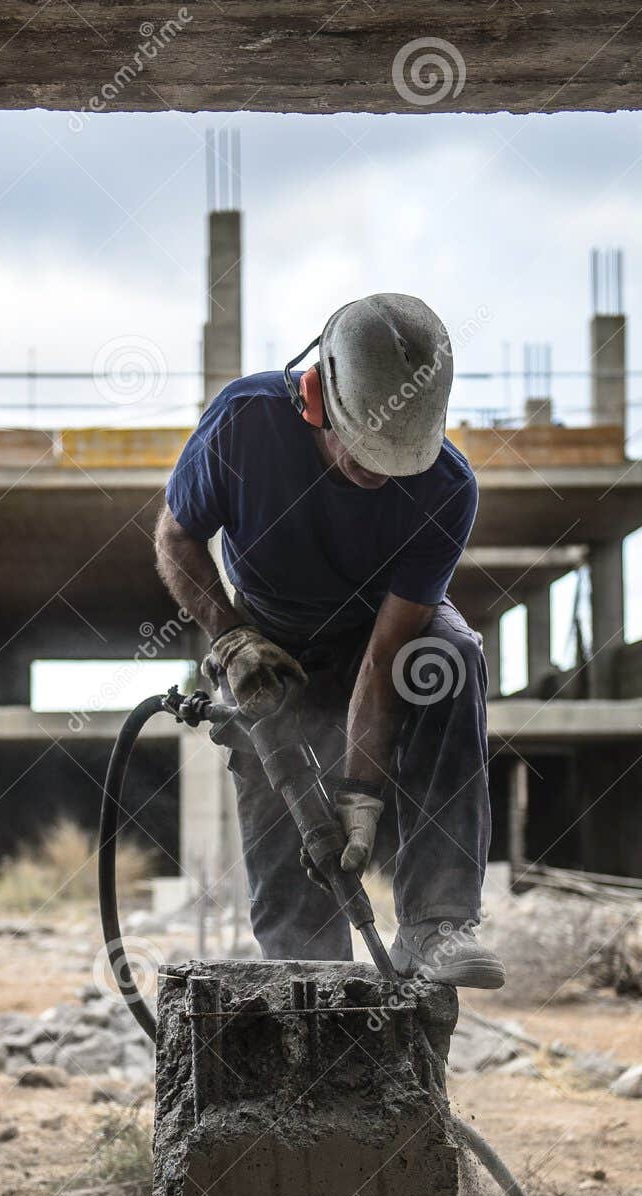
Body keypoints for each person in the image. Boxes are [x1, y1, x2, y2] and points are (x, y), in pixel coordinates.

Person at [154, 292, 503, 988]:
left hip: (375, 637)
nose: (380, 473)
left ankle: (436, 928)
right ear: (316, 398)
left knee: (449, 657)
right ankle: (308, 984)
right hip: (269, 646)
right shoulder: (244, 424)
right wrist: (231, 642)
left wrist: (361, 796)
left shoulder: (445, 488)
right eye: (366, 451)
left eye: (398, 460)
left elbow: (382, 659)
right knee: (288, 847)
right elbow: (174, 536)